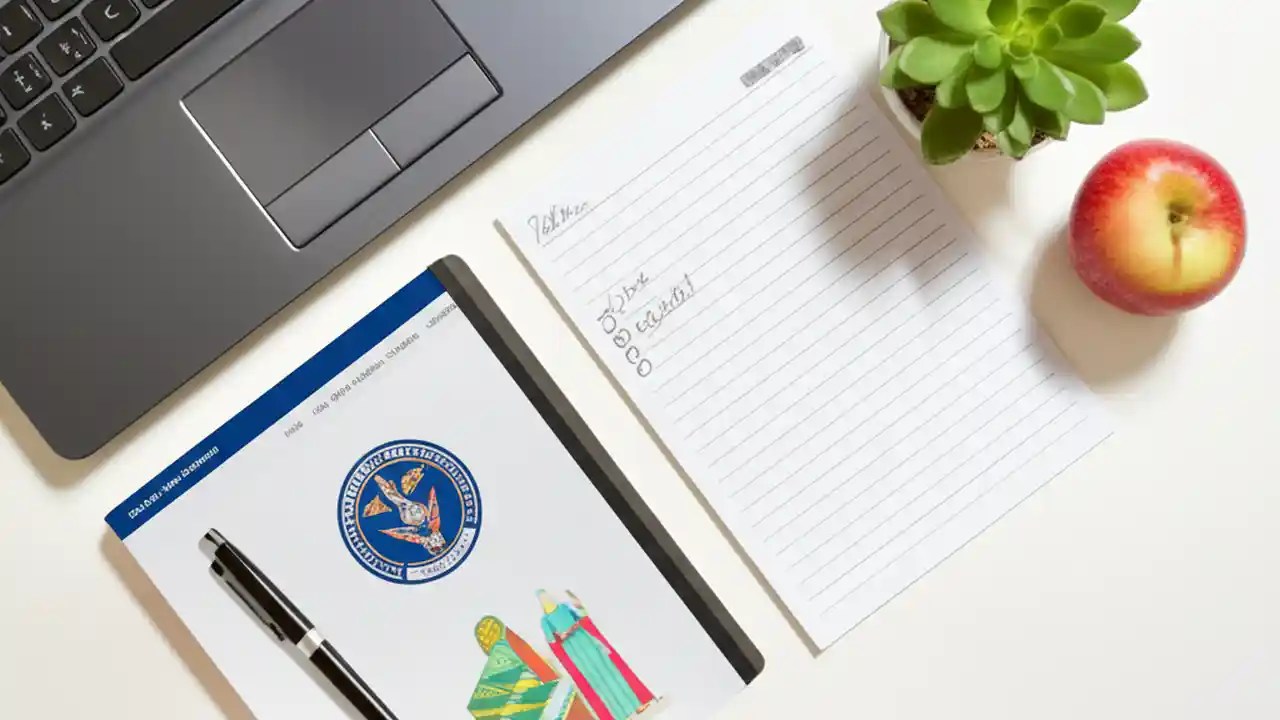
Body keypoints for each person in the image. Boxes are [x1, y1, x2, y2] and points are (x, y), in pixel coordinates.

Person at [537, 590, 657, 720]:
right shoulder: (545, 620)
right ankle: (619, 715)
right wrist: (564, 635)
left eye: (546, 596)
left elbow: (582, 616)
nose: (546, 599)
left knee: (611, 671)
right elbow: (552, 639)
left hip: (586, 640)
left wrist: (577, 606)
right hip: (574, 651)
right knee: (597, 681)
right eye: (542, 598)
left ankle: (636, 704)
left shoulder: (564, 607)